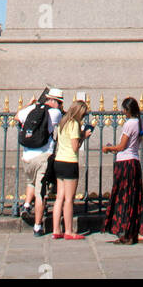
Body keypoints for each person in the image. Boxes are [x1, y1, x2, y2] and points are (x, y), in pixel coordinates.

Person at [15, 87, 63, 236]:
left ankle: (27, 205)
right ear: (55, 102)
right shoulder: (55, 113)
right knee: (41, 192)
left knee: (31, 182)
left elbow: (17, 116)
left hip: (27, 157)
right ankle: (37, 225)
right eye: (60, 103)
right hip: (43, 157)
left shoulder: (30, 111)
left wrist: (29, 104)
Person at [102, 96, 143, 245]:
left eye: (124, 109)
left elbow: (121, 147)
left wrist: (108, 148)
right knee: (134, 199)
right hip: (135, 162)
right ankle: (136, 232)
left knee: (123, 198)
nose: (122, 112)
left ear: (128, 110)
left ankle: (126, 233)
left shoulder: (129, 124)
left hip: (124, 163)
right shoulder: (140, 123)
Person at [50, 97, 92, 240]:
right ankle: (68, 230)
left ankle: (56, 229)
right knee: (69, 199)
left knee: (59, 198)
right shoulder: (74, 124)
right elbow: (75, 146)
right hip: (69, 162)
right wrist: (84, 136)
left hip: (59, 160)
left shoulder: (63, 121)